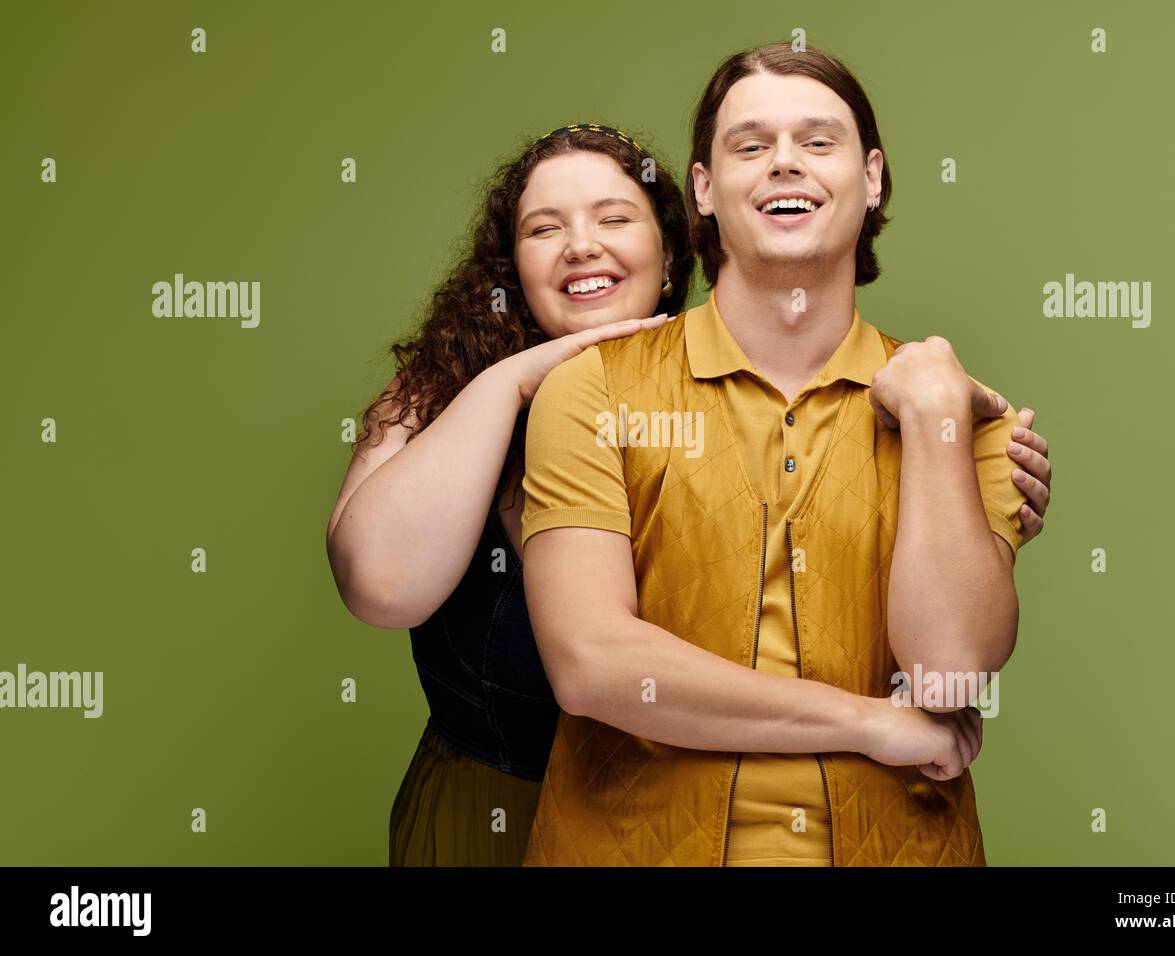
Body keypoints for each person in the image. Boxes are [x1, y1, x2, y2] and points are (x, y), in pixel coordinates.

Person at [325, 117, 1052, 865]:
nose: (582, 244)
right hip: (489, 808)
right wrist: (513, 381)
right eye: (544, 229)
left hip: (670, 810)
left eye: (614, 218)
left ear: (671, 247)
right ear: (511, 263)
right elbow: (381, 585)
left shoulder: (732, 394)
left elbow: (896, 643)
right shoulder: (435, 392)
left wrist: (953, 462)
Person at [518, 44, 1048, 866]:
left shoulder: (961, 414)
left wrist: (937, 417)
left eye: (818, 140)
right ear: (702, 190)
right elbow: (593, 664)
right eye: (751, 145)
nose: (785, 164)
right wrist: (870, 721)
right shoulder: (591, 392)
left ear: (872, 178)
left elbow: (947, 677)